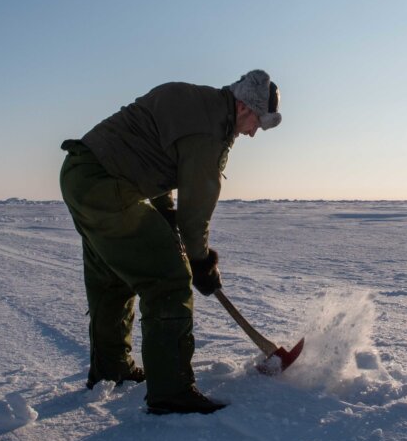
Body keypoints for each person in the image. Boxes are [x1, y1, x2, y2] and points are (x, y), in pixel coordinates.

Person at [59, 70, 282, 415]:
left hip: (80, 174)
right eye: (257, 123)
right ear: (243, 107)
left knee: (113, 277)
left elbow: (153, 154)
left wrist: (163, 210)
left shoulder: (197, 103)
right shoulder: (210, 130)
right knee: (169, 280)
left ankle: (111, 369)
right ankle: (171, 391)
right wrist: (200, 262)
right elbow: (196, 210)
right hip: (107, 186)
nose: (253, 133)